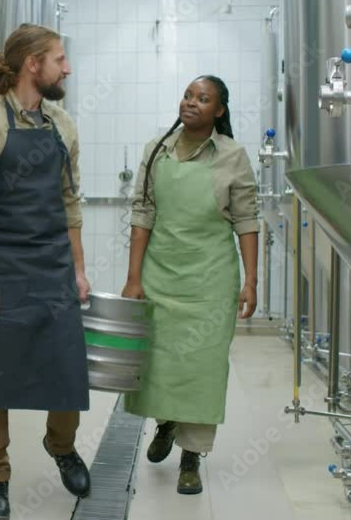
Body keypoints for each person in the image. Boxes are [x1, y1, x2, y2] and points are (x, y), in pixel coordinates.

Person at [0, 23, 92, 520]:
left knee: (68, 369)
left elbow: (70, 204)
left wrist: (78, 270)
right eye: (59, 58)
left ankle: (61, 445)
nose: (66, 68)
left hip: (53, 269)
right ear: (33, 64)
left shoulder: (62, 124)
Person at [121, 75, 259, 495]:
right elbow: (142, 213)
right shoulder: (157, 150)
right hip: (160, 275)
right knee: (160, 362)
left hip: (211, 280)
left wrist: (251, 281)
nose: (191, 103)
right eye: (187, 95)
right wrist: (133, 279)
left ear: (219, 110)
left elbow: (247, 220)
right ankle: (166, 422)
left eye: (203, 98)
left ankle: (191, 458)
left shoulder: (232, 156)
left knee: (203, 367)